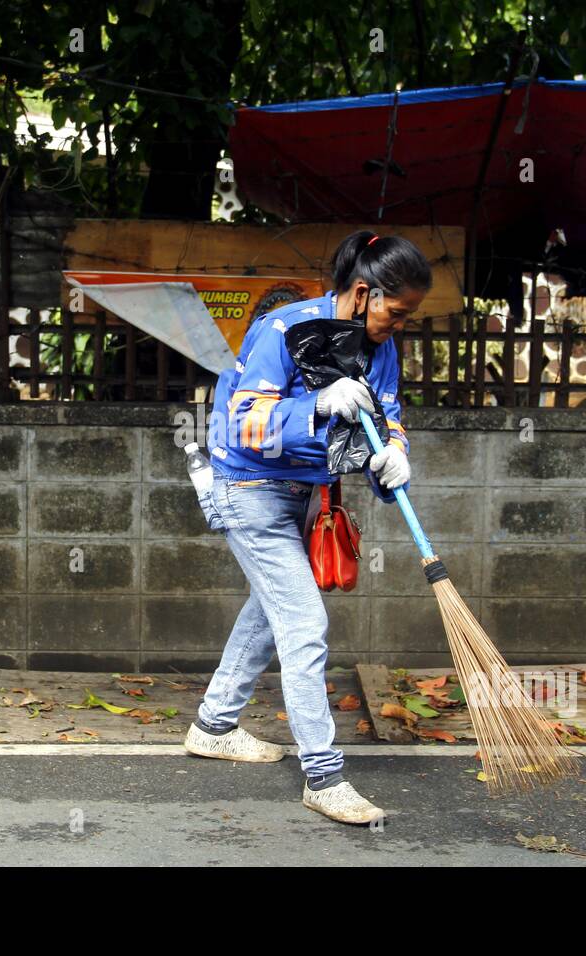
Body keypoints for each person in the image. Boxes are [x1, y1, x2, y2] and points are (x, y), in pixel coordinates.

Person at [184, 230, 433, 825]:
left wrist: (393, 455)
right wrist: (318, 405)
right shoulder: (284, 331)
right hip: (247, 489)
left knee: (269, 611)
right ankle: (323, 776)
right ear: (364, 292)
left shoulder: (381, 348)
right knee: (302, 620)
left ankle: (213, 725)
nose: (398, 326)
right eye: (395, 313)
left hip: (304, 494)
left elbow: (386, 419)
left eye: (407, 319)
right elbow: (245, 424)